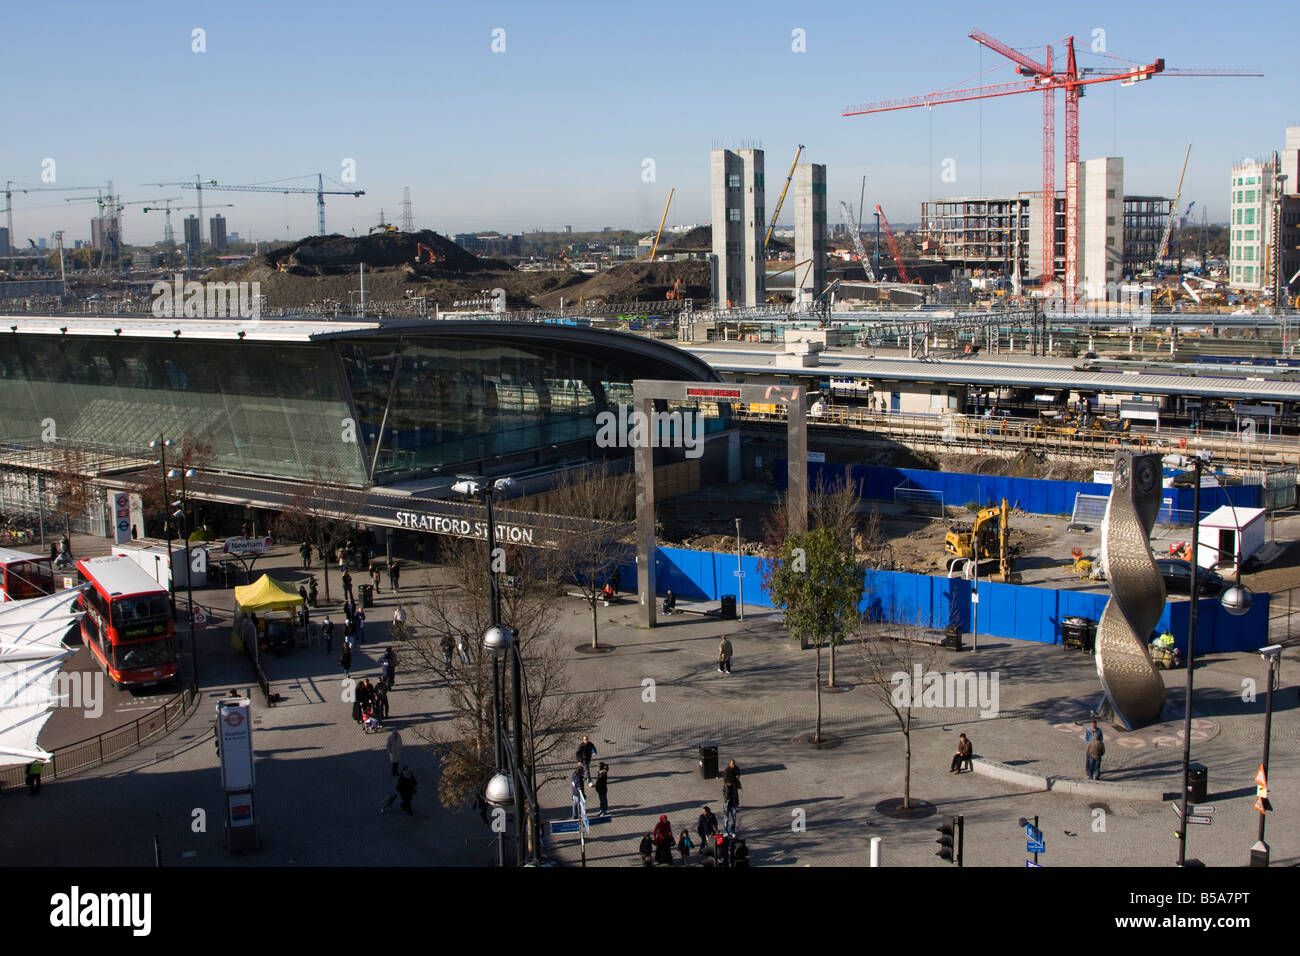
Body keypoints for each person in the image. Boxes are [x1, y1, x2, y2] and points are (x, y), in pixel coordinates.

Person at [722, 760, 741, 836]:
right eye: (731, 763)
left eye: (733, 763)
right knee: (726, 817)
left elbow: (738, 774)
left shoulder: (734, 786)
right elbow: (725, 794)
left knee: (733, 817)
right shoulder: (727, 771)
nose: (732, 765)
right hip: (727, 802)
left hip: (733, 802)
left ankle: (732, 830)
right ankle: (725, 830)